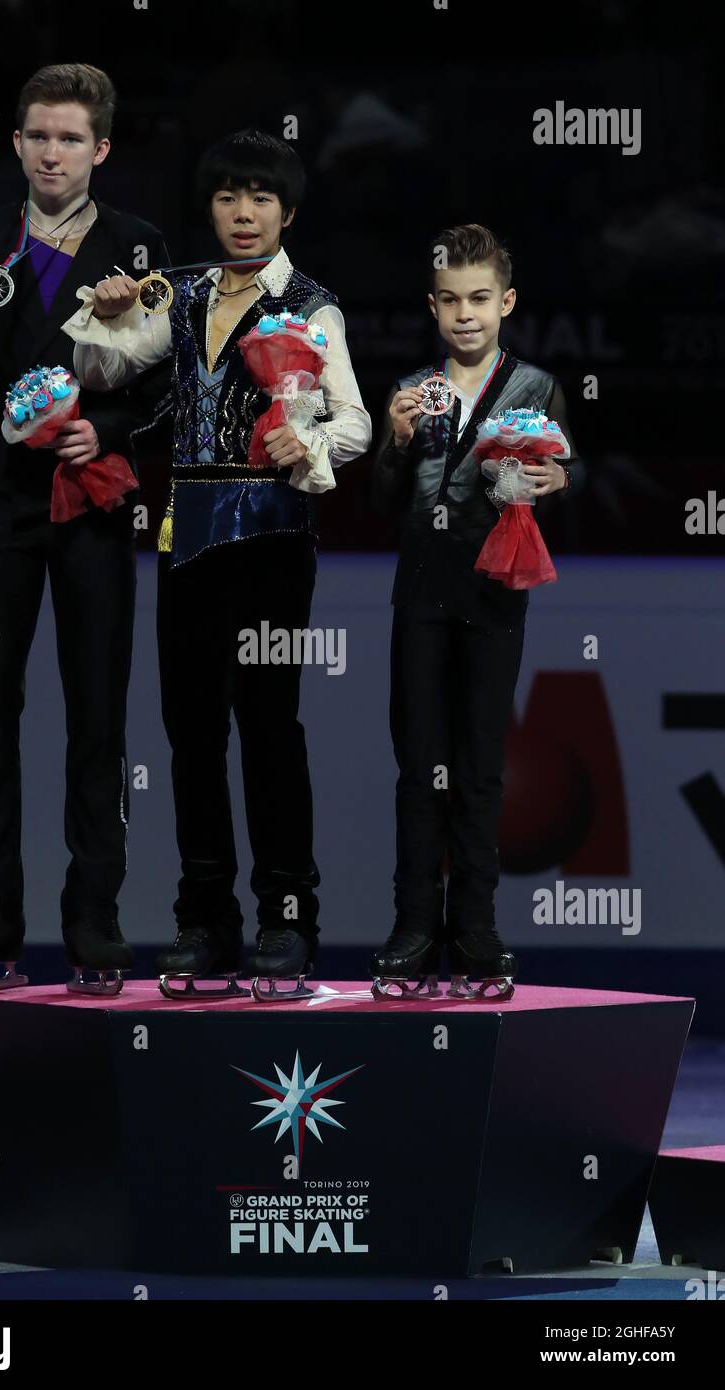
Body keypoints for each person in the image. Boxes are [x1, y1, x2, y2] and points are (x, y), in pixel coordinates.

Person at [63, 129, 371, 1000]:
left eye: (262, 199)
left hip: (272, 537)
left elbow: (355, 426)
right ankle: (204, 919)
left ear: (288, 212)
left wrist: (299, 440)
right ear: (210, 207)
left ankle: (286, 916)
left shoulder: (312, 307)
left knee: (269, 729)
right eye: (230, 197)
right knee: (190, 734)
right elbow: (98, 364)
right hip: (184, 534)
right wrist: (111, 311)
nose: (244, 213)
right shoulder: (184, 290)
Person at [0, 63, 169, 995]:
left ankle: (93, 916)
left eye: (69, 138)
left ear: (99, 149)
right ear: (14, 141)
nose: (50, 153)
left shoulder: (138, 248)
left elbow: (168, 382)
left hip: (93, 503)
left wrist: (117, 429)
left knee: (97, 716)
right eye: (35, 136)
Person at [370, 223, 583, 999]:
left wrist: (562, 482)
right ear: (433, 306)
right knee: (418, 769)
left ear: (508, 302)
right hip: (420, 600)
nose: (466, 314)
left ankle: (478, 932)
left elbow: (566, 471)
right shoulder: (412, 392)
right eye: (452, 300)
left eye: (481, 299)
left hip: (495, 597)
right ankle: (412, 929)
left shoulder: (538, 387)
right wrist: (393, 444)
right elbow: (380, 500)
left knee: (481, 772)